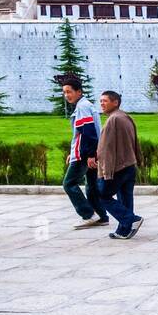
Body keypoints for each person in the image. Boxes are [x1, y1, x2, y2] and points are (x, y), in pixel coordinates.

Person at [88, 90, 144, 241]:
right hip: (129, 164)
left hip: (117, 167)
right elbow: (135, 141)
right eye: (100, 101)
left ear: (115, 102)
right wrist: (138, 159)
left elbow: (106, 148)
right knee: (125, 198)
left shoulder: (113, 120)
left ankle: (131, 219)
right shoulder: (125, 117)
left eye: (105, 101)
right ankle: (124, 230)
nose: (102, 104)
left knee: (102, 196)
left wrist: (105, 171)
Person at [60, 77, 108, 228]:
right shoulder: (86, 105)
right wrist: (73, 151)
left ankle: (87, 214)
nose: (67, 95)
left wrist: (90, 155)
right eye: (64, 92)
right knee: (92, 186)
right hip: (87, 151)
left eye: (69, 92)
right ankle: (101, 216)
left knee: (69, 183)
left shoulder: (82, 107)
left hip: (84, 154)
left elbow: (88, 133)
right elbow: (81, 134)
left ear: (79, 92)